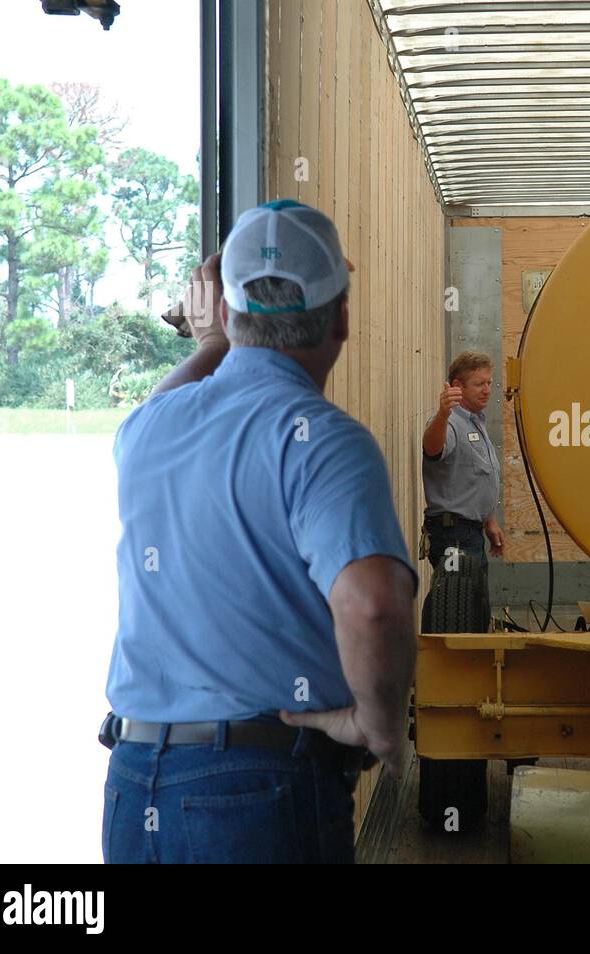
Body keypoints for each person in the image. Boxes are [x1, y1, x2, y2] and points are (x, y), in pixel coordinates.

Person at [101, 199, 418, 864]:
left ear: (223, 313)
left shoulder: (145, 431)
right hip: (256, 798)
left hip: (135, 788)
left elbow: (175, 392)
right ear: (343, 318)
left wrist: (216, 342)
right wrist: (378, 726)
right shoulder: (326, 442)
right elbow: (373, 603)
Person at [420, 351, 504, 624]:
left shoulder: (476, 422)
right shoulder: (450, 423)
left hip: (471, 533)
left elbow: (475, 477)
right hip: (453, 535)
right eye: (480, 384)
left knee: (474, 612)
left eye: (490, 383)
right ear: (457, 386)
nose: (487, 390)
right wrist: (443, 414)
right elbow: (432, 449)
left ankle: (474, 664)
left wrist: (489, 520)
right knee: (454, 612)